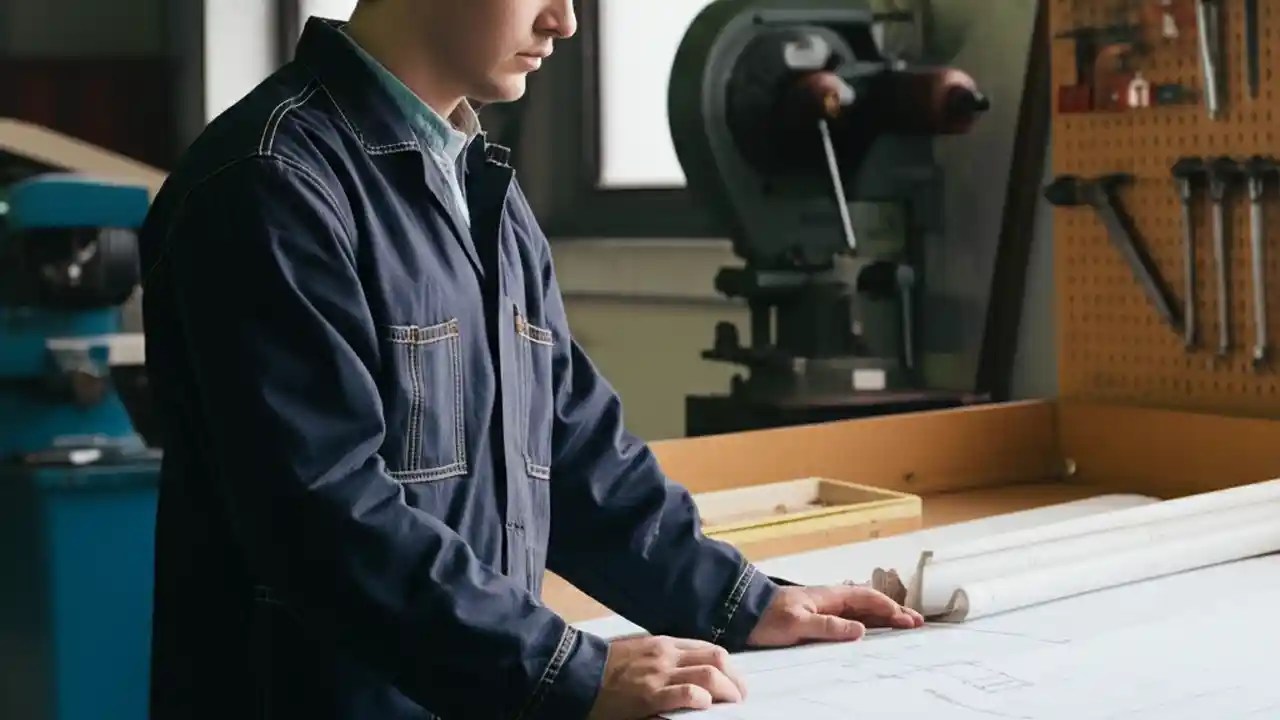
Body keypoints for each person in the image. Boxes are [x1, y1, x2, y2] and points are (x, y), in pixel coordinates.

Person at [137, 1, 924, 718]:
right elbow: (325, 519)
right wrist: (564, 670)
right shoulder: (269, 184)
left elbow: (571, 445)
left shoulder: (477, 182)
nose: (566, 21)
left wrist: (740, 603)